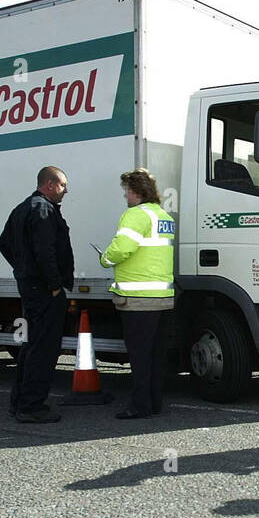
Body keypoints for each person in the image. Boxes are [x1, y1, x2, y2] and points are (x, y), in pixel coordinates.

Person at [0, 166, 74, 423]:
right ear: (50, 184)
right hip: (44, 291)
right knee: (44, 349)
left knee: (31, 346)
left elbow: (3, 243)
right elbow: (45, 251)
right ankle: (31, 407)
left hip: (31, 289)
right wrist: (53, 284)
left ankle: (19, 402)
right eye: (63, 185)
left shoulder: (22, 208)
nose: (66, 190)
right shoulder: (43, 210)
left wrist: (22, 268)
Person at [99, 169, 175, 419]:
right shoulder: (163, 216)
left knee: (139, 356)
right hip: (163, 298)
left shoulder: (135, 215)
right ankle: (154, 402)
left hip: (139, 299)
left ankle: (140, 405)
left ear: (136, 192)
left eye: (127, 191)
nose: (125, 196)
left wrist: (105, 258)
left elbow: (122, 248)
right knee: (155, 355)